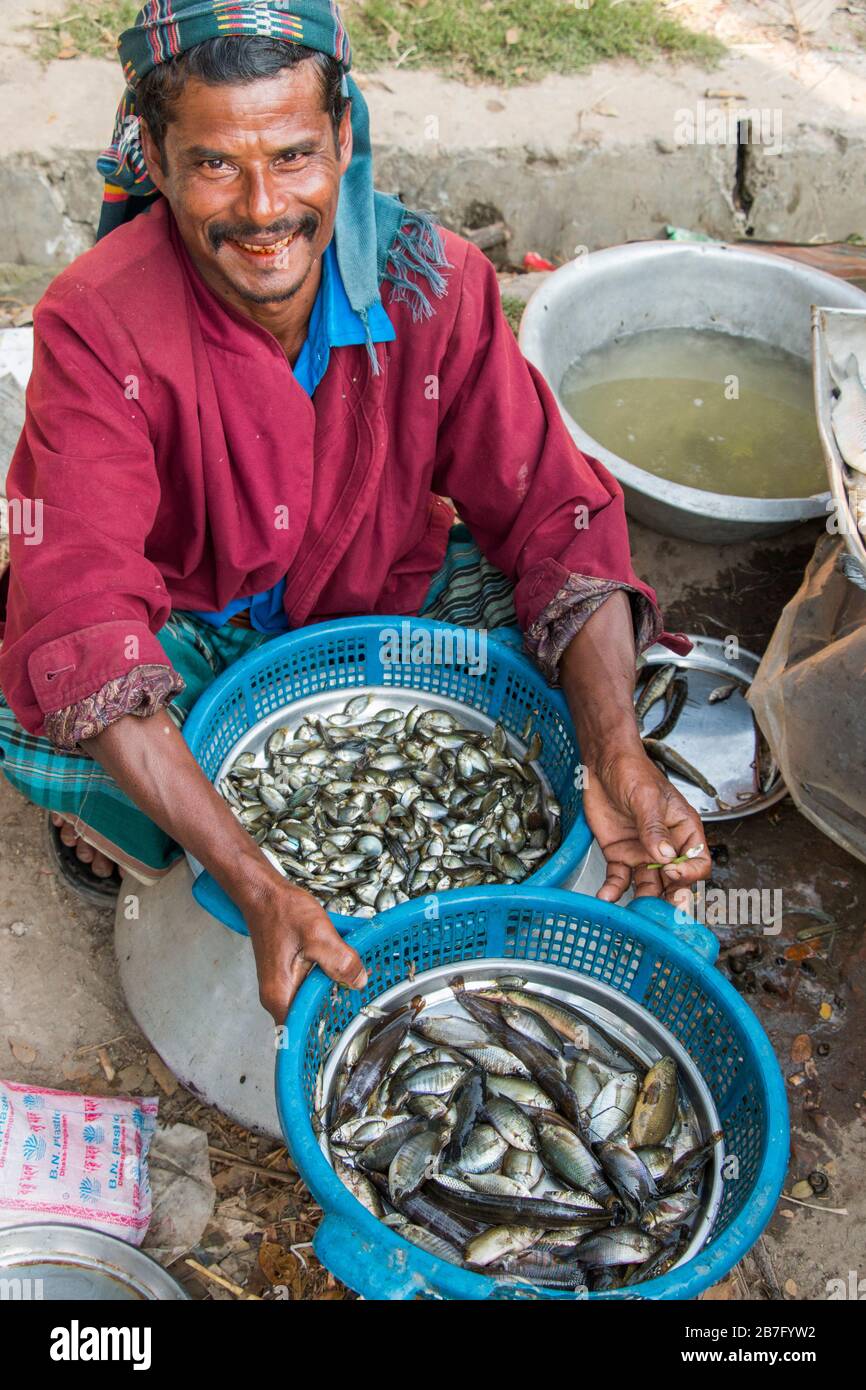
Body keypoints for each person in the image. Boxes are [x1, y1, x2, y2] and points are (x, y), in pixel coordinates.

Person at [0, 0, 709, 1024]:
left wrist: (614, 753)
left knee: (570, 642)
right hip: (192, 629)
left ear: (343, 138)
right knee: (38, 700)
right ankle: (126, 827)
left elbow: (554, 512)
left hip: (387, 594)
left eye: (293, 155)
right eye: (213, 165)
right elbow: (80, 606)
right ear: (152, 156)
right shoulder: (96, 323)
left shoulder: (435, 286)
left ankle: (151, 809)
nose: (261, 210)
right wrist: (256, 881)